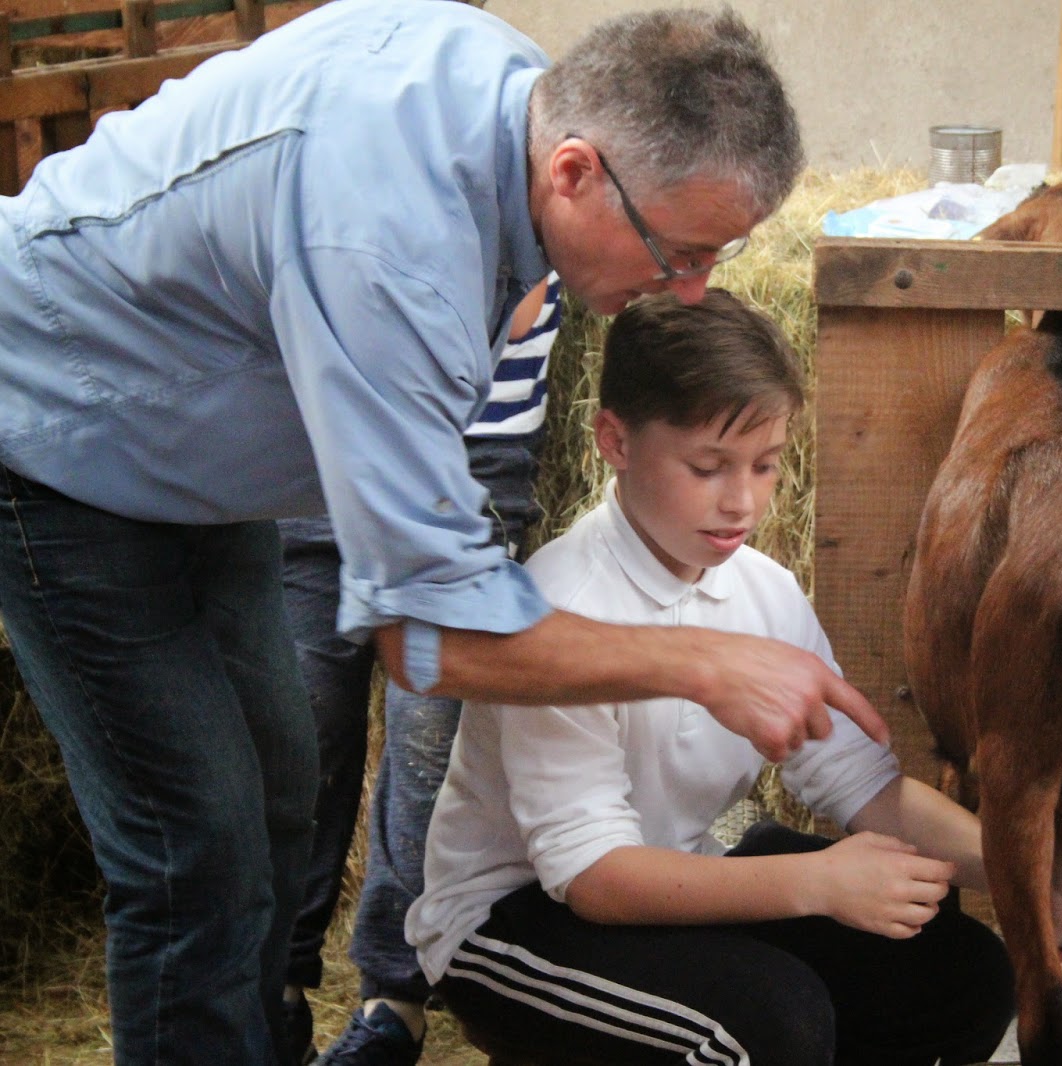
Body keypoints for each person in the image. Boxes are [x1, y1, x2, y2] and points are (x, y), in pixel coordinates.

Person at [0, 5, 882, 1065]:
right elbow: (431, 642)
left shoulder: (506, 84)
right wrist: (706, 661)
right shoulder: (392, 250)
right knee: (198, 848)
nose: (690, 287)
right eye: (677, 250)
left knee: (278, 793)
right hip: (60, 432)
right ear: (573, 174)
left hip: (196, 450)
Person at [408, 290, 1017, 1066]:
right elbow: (593, 879)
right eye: (708, 467)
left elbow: (861, 785)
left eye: (766, 465)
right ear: (615, 442)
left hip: (678, 874)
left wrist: (1025, 871)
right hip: (516, 919)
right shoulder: (561, 609)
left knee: (961, 974)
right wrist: (818, 882)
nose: (743, 502)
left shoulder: (763, 590)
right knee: (764, 1026)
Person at [280, 274, 562, 1066]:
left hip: (469, 470)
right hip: (322, 457)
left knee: (428, 744)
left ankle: (394, 999)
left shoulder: (529, 181)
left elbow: (522, 304)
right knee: (300, 731)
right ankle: (276, 985)